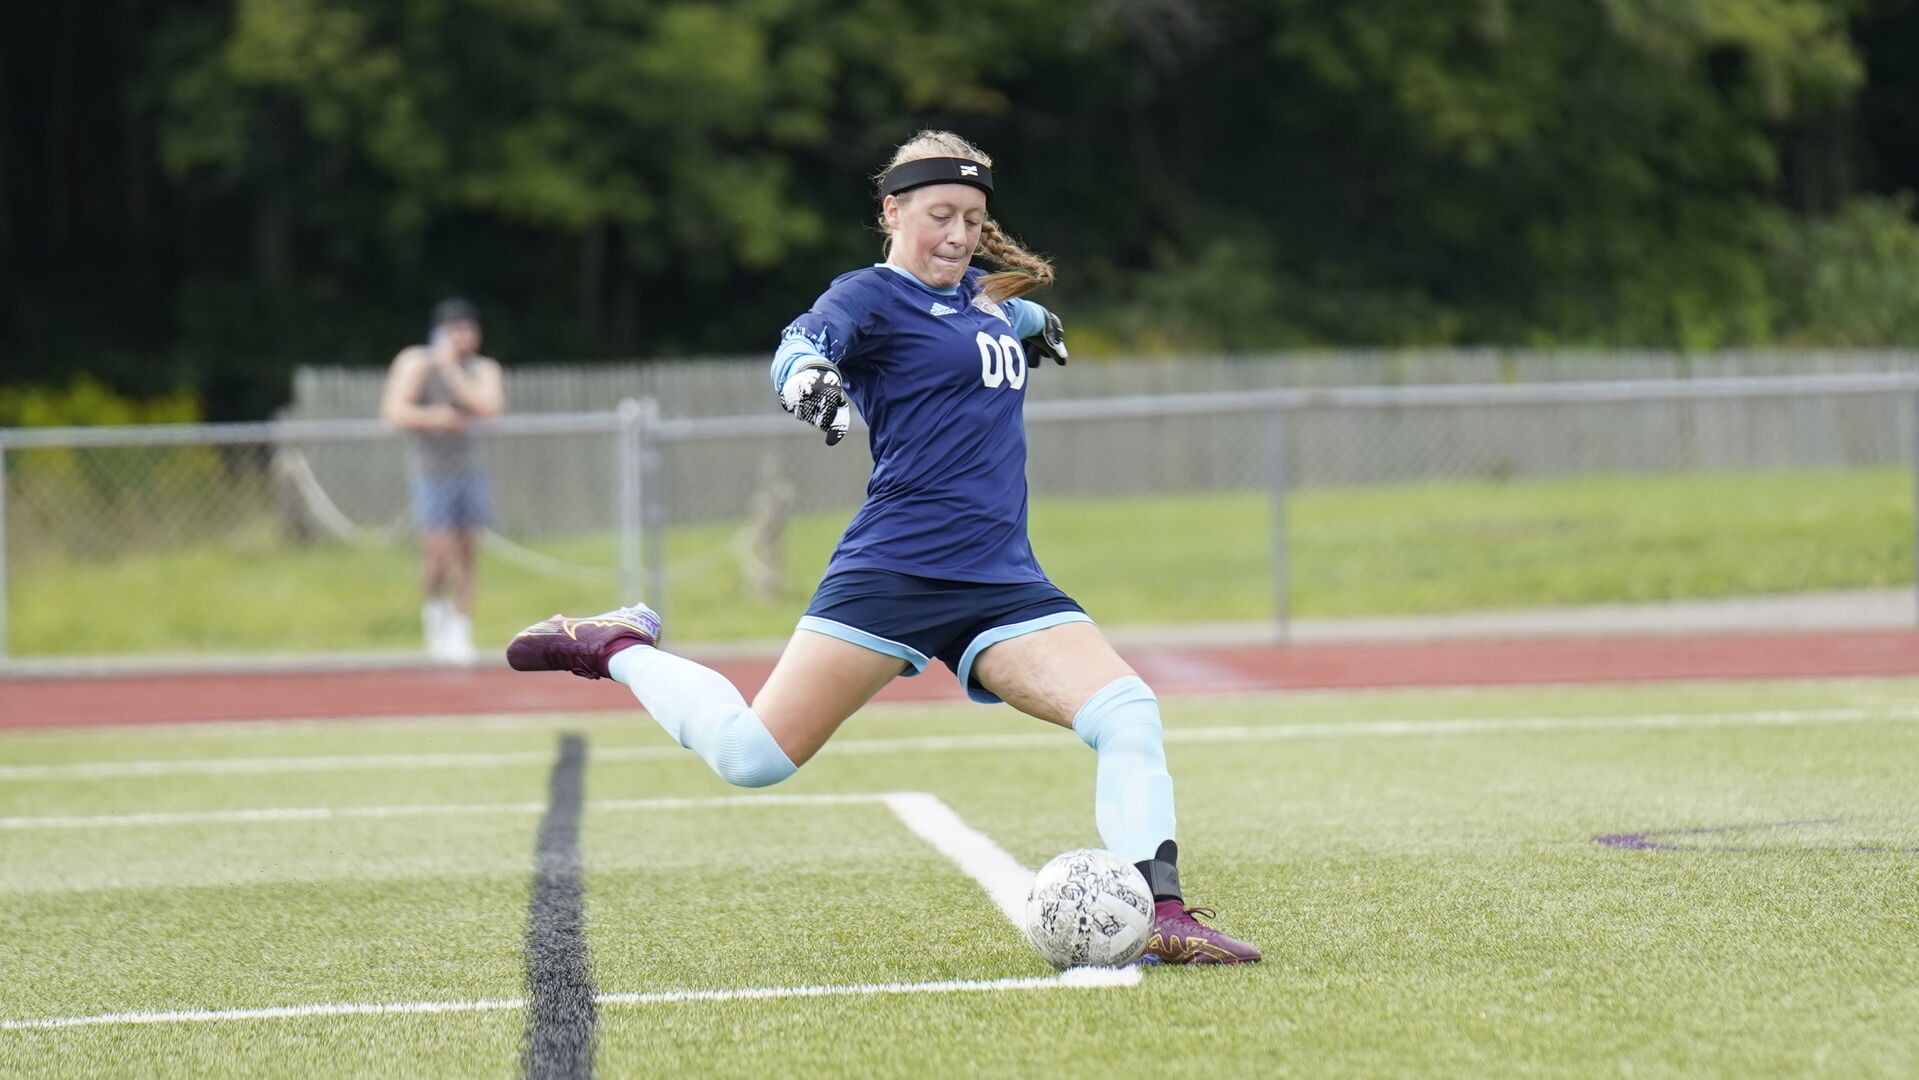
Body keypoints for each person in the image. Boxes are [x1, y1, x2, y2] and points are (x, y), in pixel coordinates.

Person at [505, 132, 1258, 964]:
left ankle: (1164, 915)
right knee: (750, 757)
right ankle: (615, 646)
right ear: (892, 211)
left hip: (1001, 580)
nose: (958, 235)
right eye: (940, 215)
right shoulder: (867, 296)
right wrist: (807, 380)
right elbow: (800, 345)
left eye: (972, 218)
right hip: (895, 569)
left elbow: (1001, 317)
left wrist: (1036, 325)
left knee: (1126, 713)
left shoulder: (983, 299)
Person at [380, 297, 506, 664]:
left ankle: (460, 628)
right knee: (438, 554)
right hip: (431, 473)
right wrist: (434, 417)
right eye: (454, 329)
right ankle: (435, 612)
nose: (461, 336)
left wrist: (452, 372)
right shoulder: (415, 362)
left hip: (470, 471)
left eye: (467, 328)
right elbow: (393, 411)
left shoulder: (482, 368)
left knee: (468, 553)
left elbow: (490, 408)